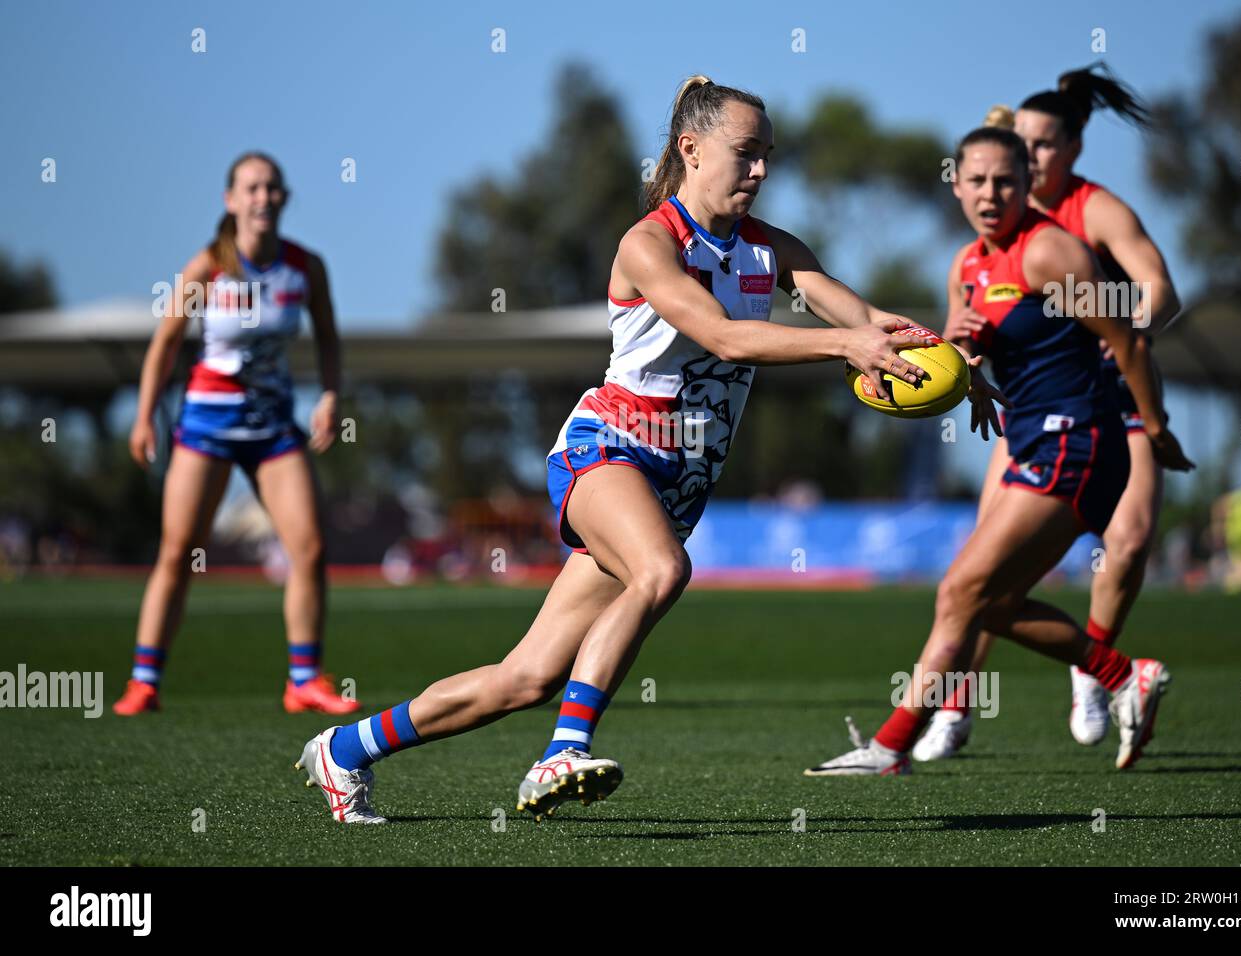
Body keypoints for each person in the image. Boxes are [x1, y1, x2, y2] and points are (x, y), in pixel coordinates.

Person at [293, 75, 1002, 824]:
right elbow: (725, 336)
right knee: (664, 569)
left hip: (676, 484)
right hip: (608, 449)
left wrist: (949, 365)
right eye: (746, 154)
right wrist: (844, 346)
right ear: (691, 151)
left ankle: (346, 750)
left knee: (525, 676)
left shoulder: (773, 249)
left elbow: (865, 318)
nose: (760, 171)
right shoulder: (648, 244)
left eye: (768, 156)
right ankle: (562, 752)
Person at [805, 125, 1193, 778]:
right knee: (994, 604)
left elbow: (1126, 340)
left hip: (1080, 441)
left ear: (1027, 185)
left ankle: (891, 745)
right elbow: (972, 350)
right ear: (956, 184)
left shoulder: (1049, 253)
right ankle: (1126, 675)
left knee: (960, 590)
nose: (991, 193)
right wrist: (964, 363)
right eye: (977, 180)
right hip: (1030, 440)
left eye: (1006, 181)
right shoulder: (967, 264)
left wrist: (1155, 428)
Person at [914, 67, 1184, 760]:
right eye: (1020, 144)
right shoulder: (991, 231)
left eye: (1042, 145)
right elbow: (963, 327)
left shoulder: (1095, 213)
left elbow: (1160, 290)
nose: (1029, 157)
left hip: (1111, 397)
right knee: (981, 566)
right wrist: (955, 356)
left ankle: (1094, 670)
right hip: (1035, 408)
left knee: (1126, 543)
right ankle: (956, 705)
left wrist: (1120, 335)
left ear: (1073, 149)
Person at [113, 152, 357, 718]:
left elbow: (327, 336)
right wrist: (145, 414)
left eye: (272, 188)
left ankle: (304, 680)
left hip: (273, 427)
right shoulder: (208, 266)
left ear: (285, 197)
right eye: (251, 188)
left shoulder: (305, 267)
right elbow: (166, 344)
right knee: (178, 551)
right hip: (206, 427)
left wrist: (329, 396)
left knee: (311, 547)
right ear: (230, 200)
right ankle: (144, 682)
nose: (263, 197)